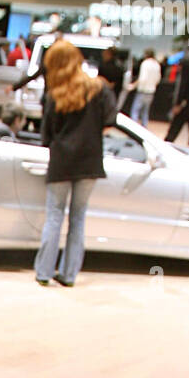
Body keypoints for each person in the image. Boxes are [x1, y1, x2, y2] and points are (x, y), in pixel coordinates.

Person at [34, 40, 116, 288]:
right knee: (78, 218)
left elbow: (46, 136)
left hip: (61, 160)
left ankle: (43, 272)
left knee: (54, 215)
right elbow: (110, 122)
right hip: (90, 160)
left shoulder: (53, 95)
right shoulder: (99, 89)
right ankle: (69, 275)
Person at [131, 48, 161, 126]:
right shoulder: (157, 64)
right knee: (145, 112)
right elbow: (158, 79)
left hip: (143, 90)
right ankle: (144, 127)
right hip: (151, 91)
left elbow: (142, 78)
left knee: (135, 111)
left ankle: (134, 128)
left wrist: (133, 85)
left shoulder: (145, 63)